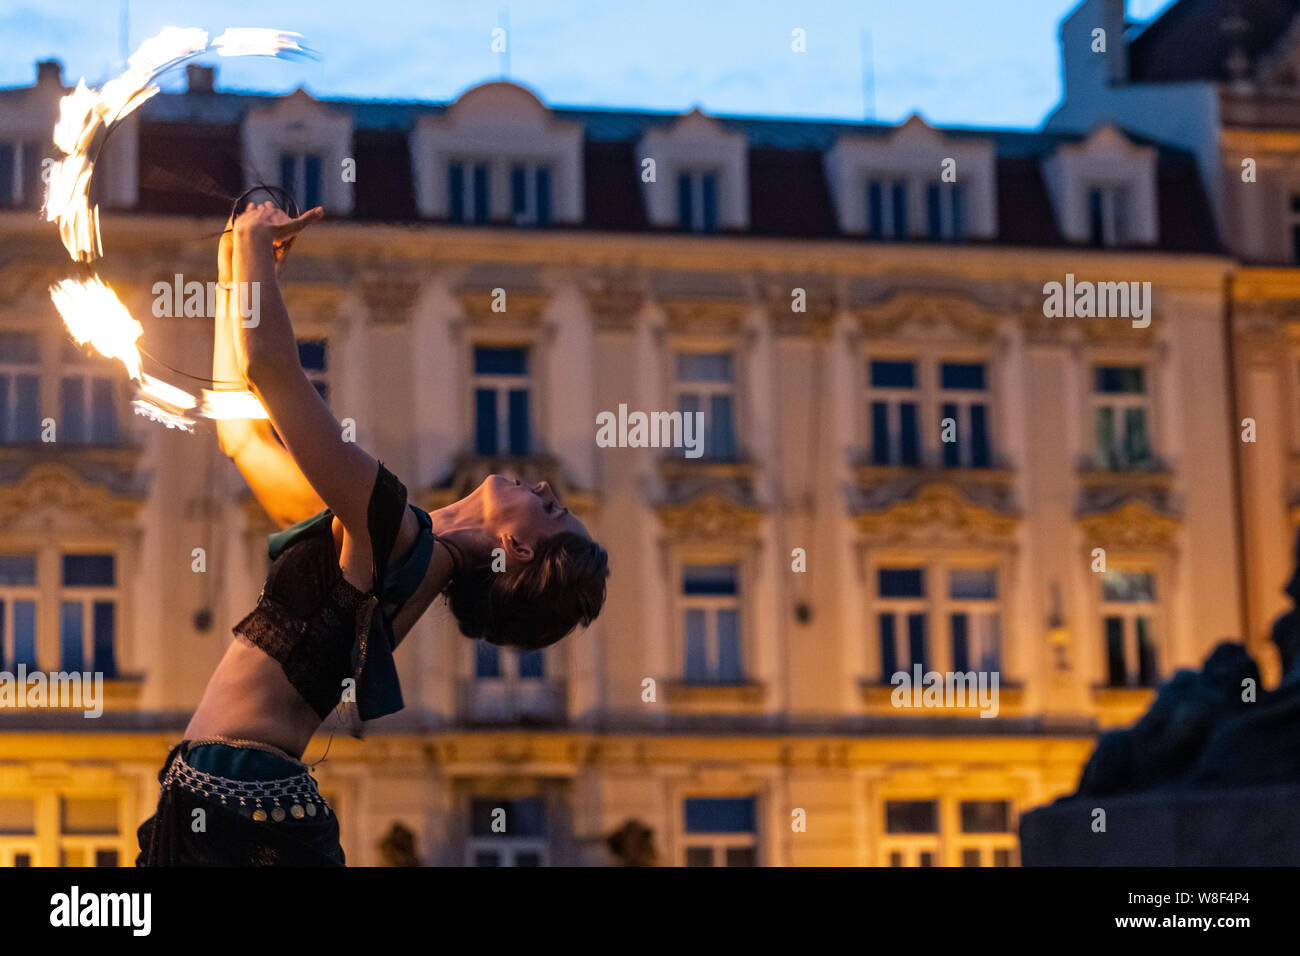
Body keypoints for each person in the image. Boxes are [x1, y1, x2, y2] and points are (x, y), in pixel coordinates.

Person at [136, 195, 608, 866]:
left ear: (518, 549)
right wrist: (232, 263)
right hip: (235, 802)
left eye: (553, 511)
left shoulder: (389, 532)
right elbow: (240, 435)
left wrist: (250, 252)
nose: (547, 489)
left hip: (240, 808)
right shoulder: (385, 542)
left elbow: (272, 370)